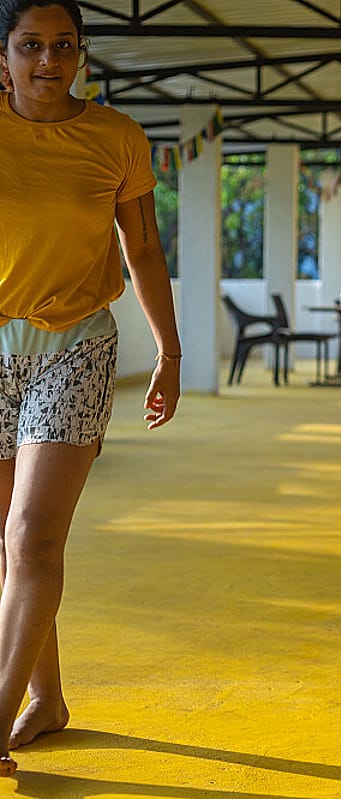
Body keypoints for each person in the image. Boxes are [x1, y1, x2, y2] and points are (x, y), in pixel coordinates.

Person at [0, 0, 182, 775]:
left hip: (77, 343)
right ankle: (46, 698)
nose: (49, 60)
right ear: (3, 56)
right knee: (7, 543)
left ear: (80, 54)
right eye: (30, 45)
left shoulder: (116, 137)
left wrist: (170, 350)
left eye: (63, 44)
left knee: (32, 536)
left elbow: (143, 249)